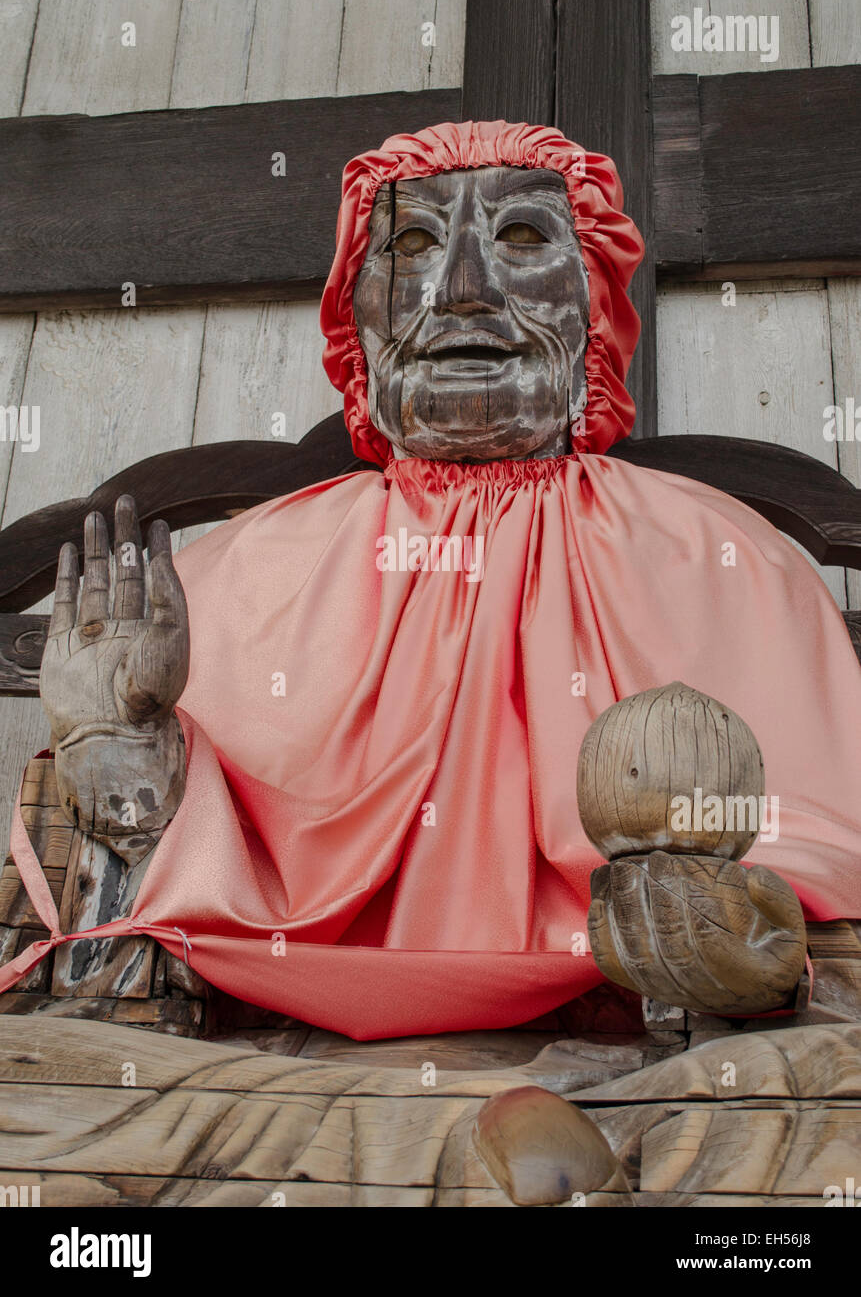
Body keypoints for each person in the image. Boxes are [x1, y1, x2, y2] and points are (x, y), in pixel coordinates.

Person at [4, 120, 860, 1039]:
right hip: (273, 1029)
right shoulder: (231, 580)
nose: (462, 292)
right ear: (355, 317)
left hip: (638, 1044)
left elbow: (811, 848)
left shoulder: (714, 553)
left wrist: (717, 926)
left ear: (595, 303)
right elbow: (152, 900)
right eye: (411, 245)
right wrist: (121, 749)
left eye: (523, 241)